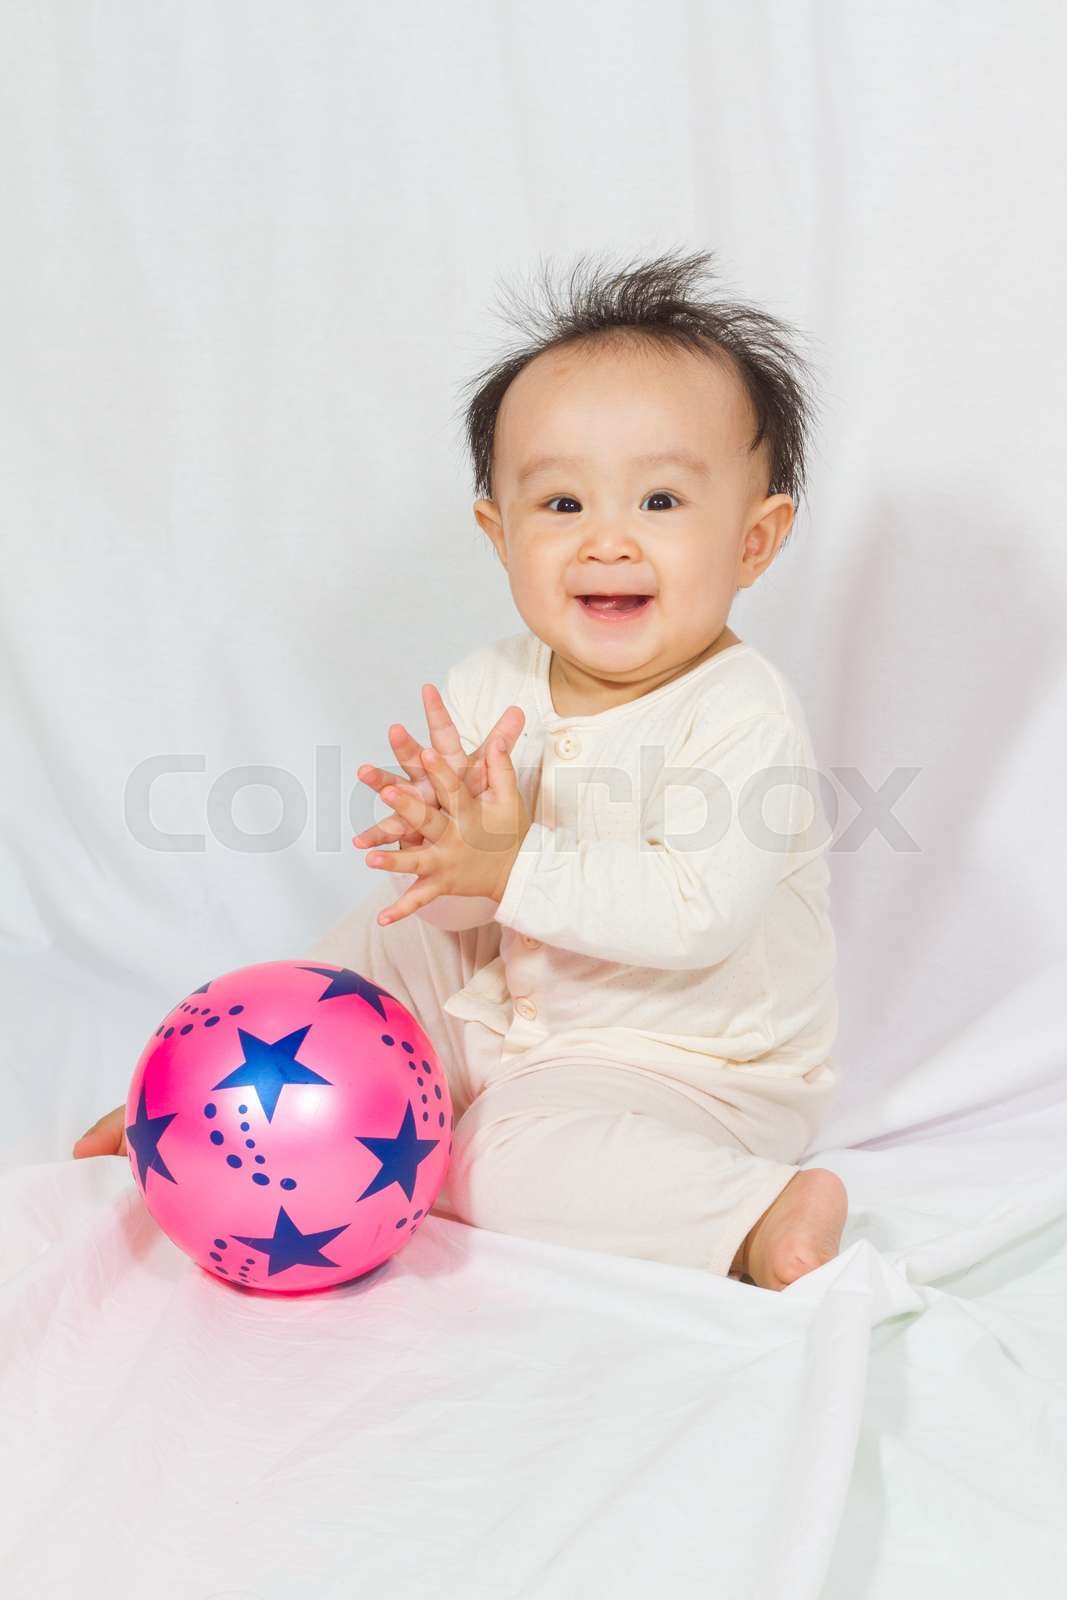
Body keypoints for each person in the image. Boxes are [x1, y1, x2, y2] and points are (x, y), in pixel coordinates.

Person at [74, 247, 848, 1292]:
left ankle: (751, 1211)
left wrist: (508, 861)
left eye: (660, 502)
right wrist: (441, 861)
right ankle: (232, 1099)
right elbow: (461, 918)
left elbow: (692, 913)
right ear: (498, 533)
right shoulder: (491, 682)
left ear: (753, 540)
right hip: (510, 1004)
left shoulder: (739, 714)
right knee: (372, 940)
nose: (606, 541)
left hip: (683, 1059)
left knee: (486, 1164)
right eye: (561, 505)